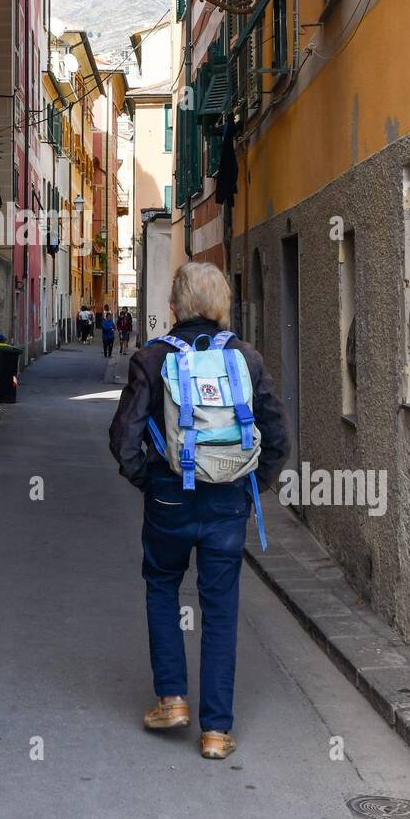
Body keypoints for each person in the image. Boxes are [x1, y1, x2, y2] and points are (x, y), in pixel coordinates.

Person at [109, 262, 289, 760]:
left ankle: (171, 700)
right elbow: (278, 438)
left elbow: (122, 440)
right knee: (222, 606)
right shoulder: (246, 359)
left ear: (174, 307)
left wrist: (152, 480)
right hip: (228, 500)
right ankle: (215, 731)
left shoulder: (151, 357)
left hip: (170, 496)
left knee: (163, 585)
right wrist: (253, 484)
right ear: (221, 305)